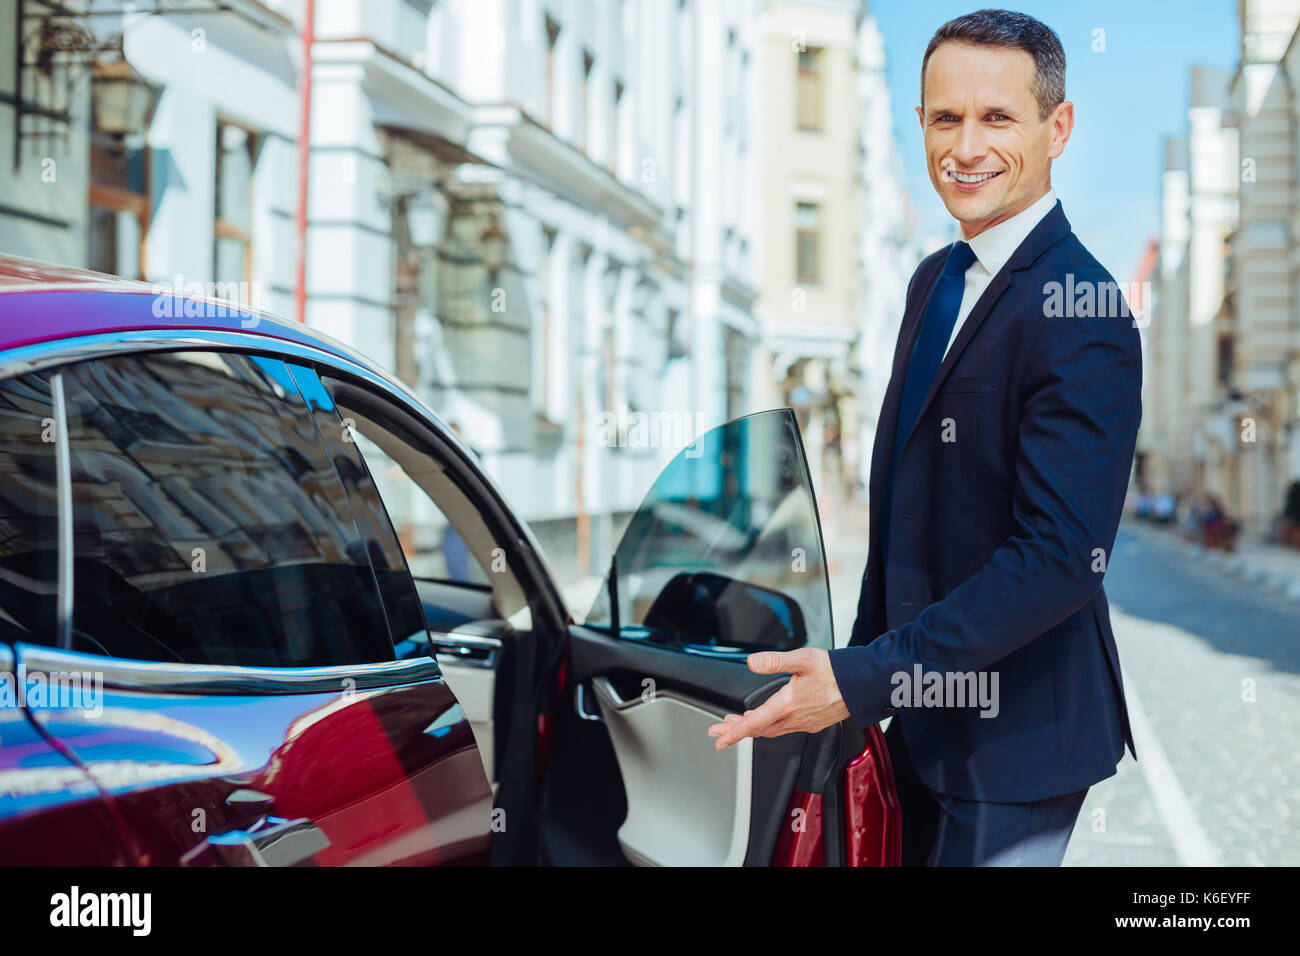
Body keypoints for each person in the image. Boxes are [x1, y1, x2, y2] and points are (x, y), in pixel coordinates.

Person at [708, 9, 1140, 866]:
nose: (967, 146)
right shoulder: (932, 282)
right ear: (919, 125)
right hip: (916, 721)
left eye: (997, 118)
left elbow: (1057, 557)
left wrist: (866, 679)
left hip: (1018, 744)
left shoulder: (1082, 309)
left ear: (1058, 129)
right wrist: (859, 676)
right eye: (946, 118)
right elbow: (907, 512)